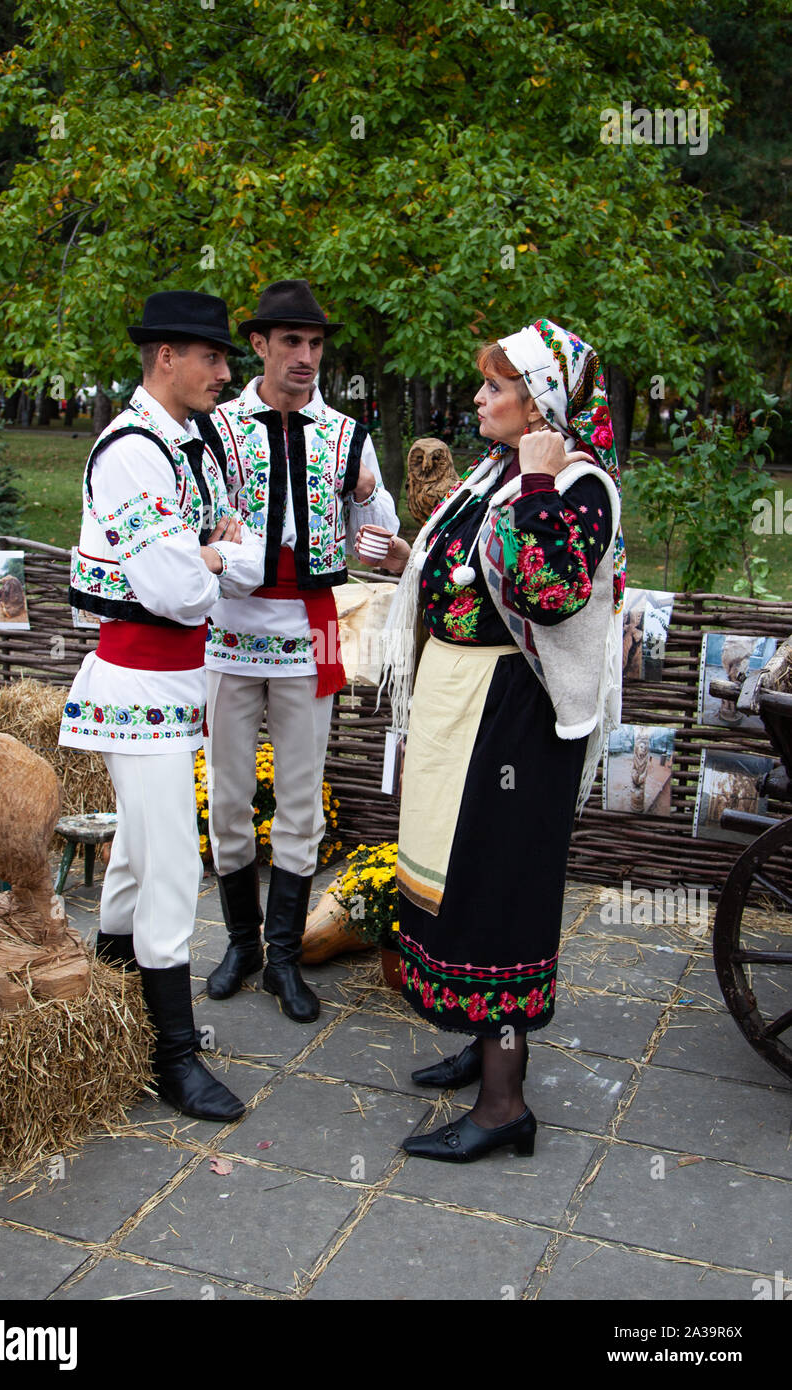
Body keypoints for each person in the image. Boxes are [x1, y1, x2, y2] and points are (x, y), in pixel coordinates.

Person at [366, 317, 625, 1163]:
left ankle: (504, 1103)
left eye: (497, 386)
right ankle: (483, 1045)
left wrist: (545, 485)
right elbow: (478, 569)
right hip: (462, 703)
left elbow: (551, 595)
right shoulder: (498, 473)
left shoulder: (575, 484)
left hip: (513, 714)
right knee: (452, 877)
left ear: (541, 401)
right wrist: (413, 556)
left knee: (496, 894)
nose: (479, 397)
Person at [59, 291, 265, 1121]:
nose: (225, 372)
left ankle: (112, 1016)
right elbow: (177, 589)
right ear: (166, 359)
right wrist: (211, 558)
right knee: (175, 864)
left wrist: (210, 554)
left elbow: (244, 554)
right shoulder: (132, 451)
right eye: (212, 357)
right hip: (136, 684)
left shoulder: (197, 444)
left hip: (178, 683)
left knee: (143, 859)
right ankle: (170, 1054)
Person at [195, 279, 399, 1022]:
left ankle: (285, 956)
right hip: (229, 625)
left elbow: (377, 543)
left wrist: (371, 497)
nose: (306, 356)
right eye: (292, 342)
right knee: (227, 797)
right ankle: (240, 944)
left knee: (304, 802)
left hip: (311, 625)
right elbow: (196, 527)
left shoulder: (347, 435)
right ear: (259, 345)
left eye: (315, 344)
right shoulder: (217, 428)